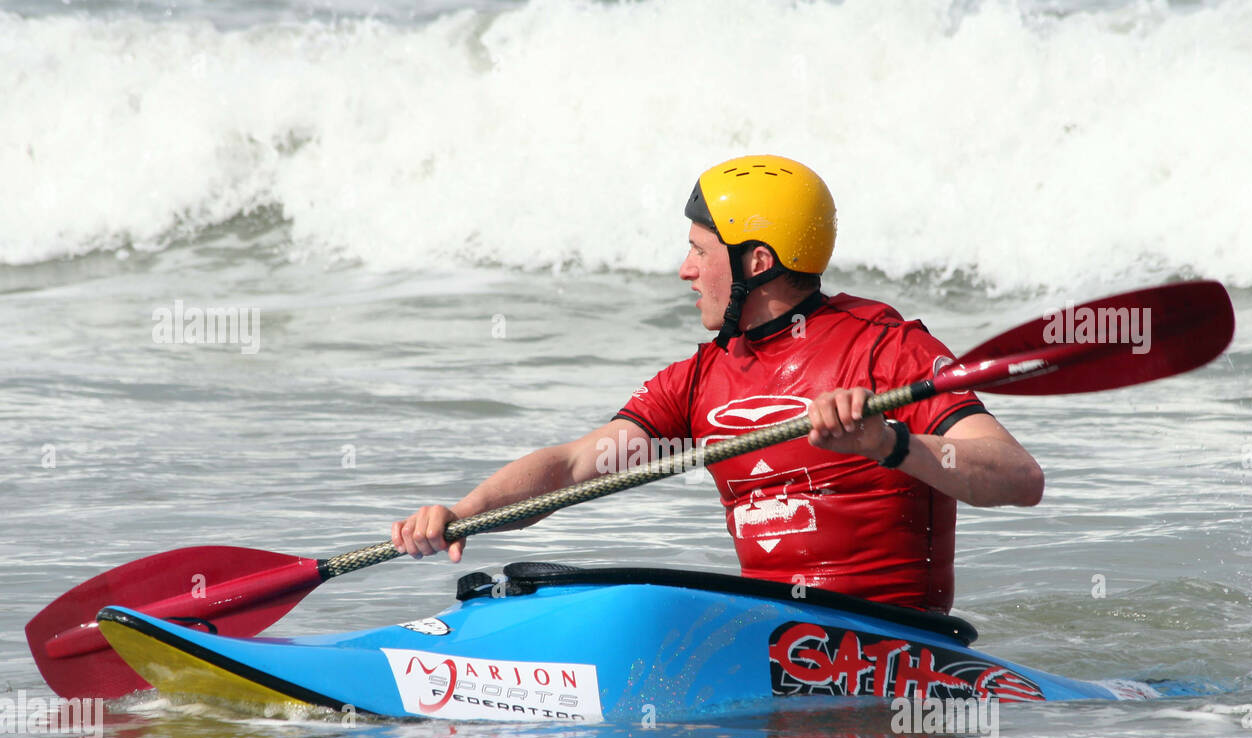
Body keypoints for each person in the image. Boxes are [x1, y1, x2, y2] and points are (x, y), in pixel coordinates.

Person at [391, 155, 1043, 613]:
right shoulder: (700, 379)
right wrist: (464, 513)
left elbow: (1018, 476)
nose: (685, 270)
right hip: (765, 635)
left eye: (700, 251)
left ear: (757, 262)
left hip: (892, 643)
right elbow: (570, 467)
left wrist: (891, 443)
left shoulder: (887, 347)